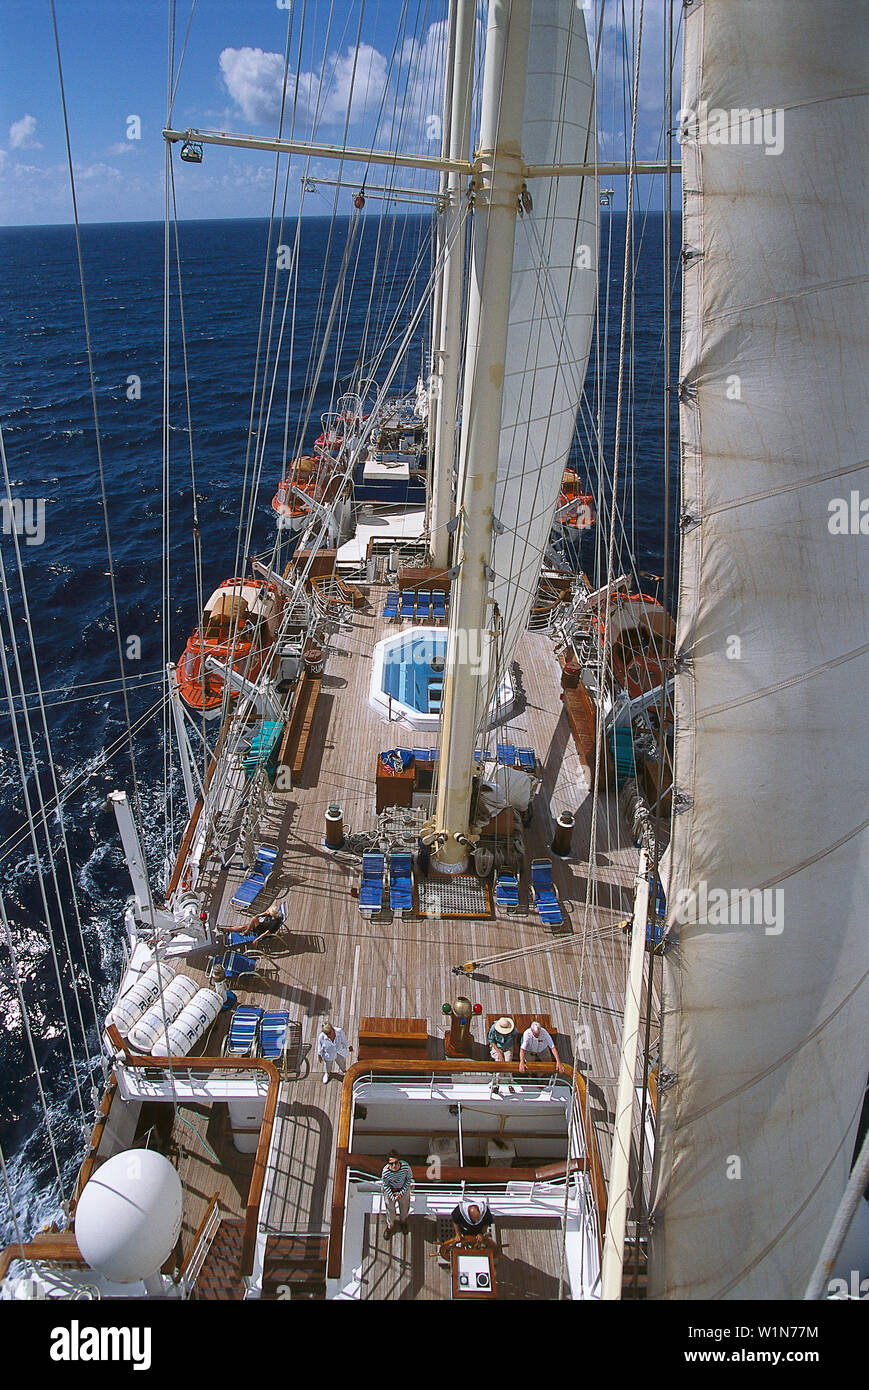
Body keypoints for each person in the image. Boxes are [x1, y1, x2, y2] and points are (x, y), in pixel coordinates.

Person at [380, 1149, 413, 1239]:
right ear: (388, 1164)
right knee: (390, 1210)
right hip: (391, 1191)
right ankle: (390, 1226)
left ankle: (403, 1222)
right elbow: (386, 1185)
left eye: (396, 1162)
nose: (394, 1165)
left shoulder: (405, 1167)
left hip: (403, 1190)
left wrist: (401, 1193)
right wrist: (392, 1196)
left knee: (405, 1207)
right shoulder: (385, 1172)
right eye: (391, 1163)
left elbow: (409, 1179)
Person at [487, 1015, 521, 1094]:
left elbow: (515, 1036)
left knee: (508, 1063)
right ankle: (497, 1084)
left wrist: (515, 1046)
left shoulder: (513, 1030)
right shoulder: (493, 1029)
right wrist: (498, 1053)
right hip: (497, 1047)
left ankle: (510, 1083)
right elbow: (491, 1041)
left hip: (508, 1046)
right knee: (499, 1063)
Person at [317, 1019, 352, 1084]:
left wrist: (349, 1046)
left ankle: (344, 1071)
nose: (328, 1035)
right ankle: (327, 1073)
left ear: (332, 1029)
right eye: (326, 1034)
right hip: (329, 1054)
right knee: (328, 1065)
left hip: (339, 1052)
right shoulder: (321, 1037)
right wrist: (319, 1055)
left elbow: (344, 1040)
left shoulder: (339, 1031)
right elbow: (320, 1047)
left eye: (329, 1032)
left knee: (342, 1063)